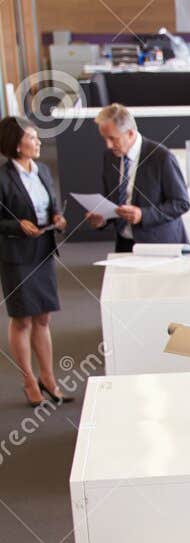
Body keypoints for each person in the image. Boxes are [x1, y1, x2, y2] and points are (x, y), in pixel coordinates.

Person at [0, 118, 69, 406]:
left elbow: (51, 203)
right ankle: (29, 379)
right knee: (22, 318)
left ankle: (48, 377)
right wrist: (18, 226)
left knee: (43, 316)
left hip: (42, 249)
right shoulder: (2, 178)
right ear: (17, 144)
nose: (39, 142)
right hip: (16, 255)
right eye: (32, 137)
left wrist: (57, 217)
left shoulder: (42, 169)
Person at [83, 104, 190, 251]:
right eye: (105, 139)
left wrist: (143, 215)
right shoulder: (110, 157)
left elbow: (181, 203)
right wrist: (102, 219)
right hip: (125, 245)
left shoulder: (162, 157)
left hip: (159, 247)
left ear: (131, 133)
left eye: (113, 139)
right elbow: (113, 200)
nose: (108, 145)